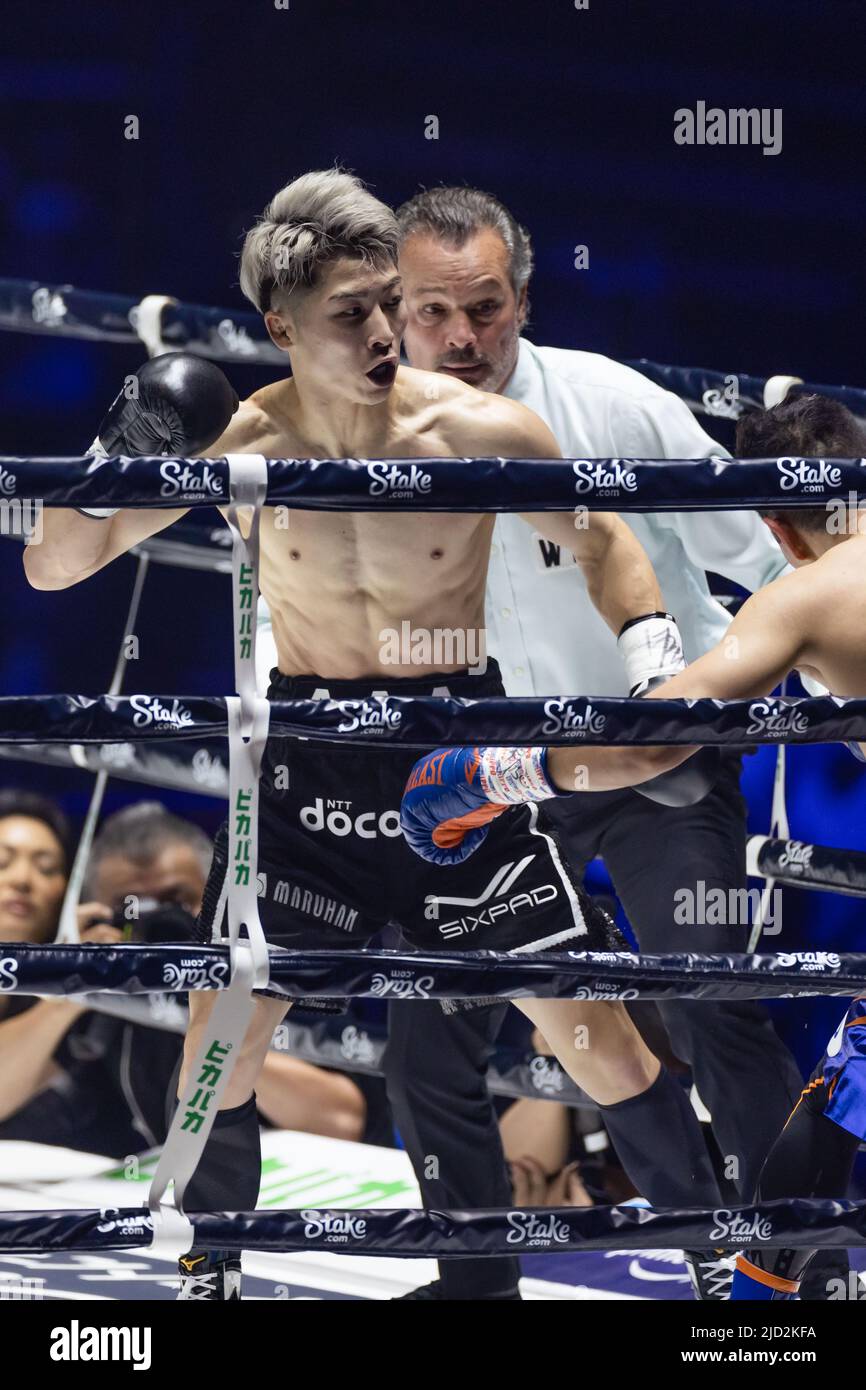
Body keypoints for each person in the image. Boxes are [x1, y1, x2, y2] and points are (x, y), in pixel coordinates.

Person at [25, 168, 726, 1300]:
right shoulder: (243, 444)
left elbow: (598, 537)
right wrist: (118, 453)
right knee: (224, 1044)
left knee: (596, 1044)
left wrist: (649, 657)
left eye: (385, 300)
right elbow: (55, 566)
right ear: (279, 327)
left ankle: (724, 1276)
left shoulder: (478, 428)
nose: (387, 331)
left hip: (454, 764)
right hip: (309, 774)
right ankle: (210, 1273)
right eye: (350, 312)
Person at [389, 183, 806, 1300]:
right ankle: (482, 1279)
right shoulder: (369, 442)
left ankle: (795, 1260)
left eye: (483, 307)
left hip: (652, 754)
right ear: (396, 307)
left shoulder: (608, 408)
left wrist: (790, 697)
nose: (461, 337)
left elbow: (766, 555)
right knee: (426, 1030)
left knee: (705, 996)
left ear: (521, 298)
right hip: (493, 777)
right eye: (434, 311)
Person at [0, 796, 376, 1157]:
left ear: (216, 898)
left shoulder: (271, 971)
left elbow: (343, 1120)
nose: (160, 924)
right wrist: (75, 992)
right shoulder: (99, 997)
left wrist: (205, 1022)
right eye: (133, 909)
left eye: (178, 902)